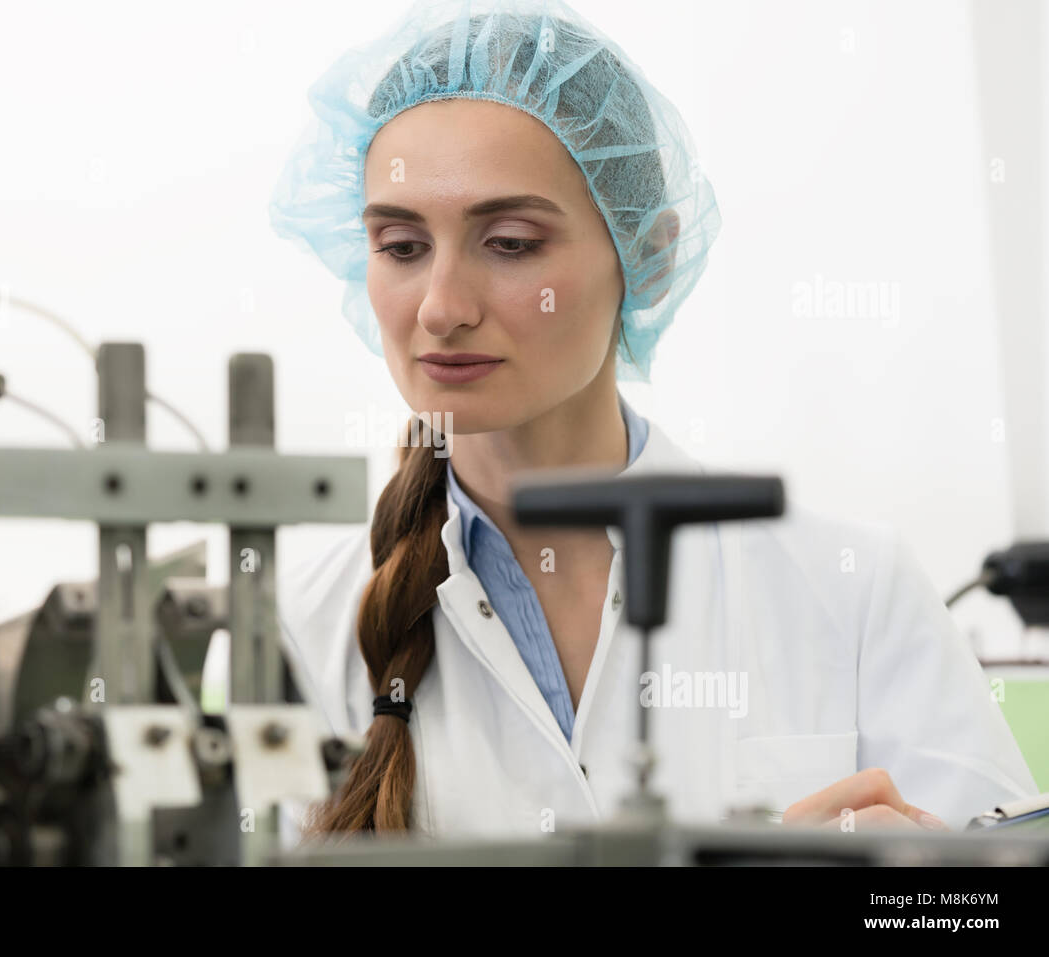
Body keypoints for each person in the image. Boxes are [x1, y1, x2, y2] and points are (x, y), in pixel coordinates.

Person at [268, 0, 1036, 841]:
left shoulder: (853, 589)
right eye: (402, 246)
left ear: (650, 253)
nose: (443, 308)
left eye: (512, 242)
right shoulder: (301, 628)